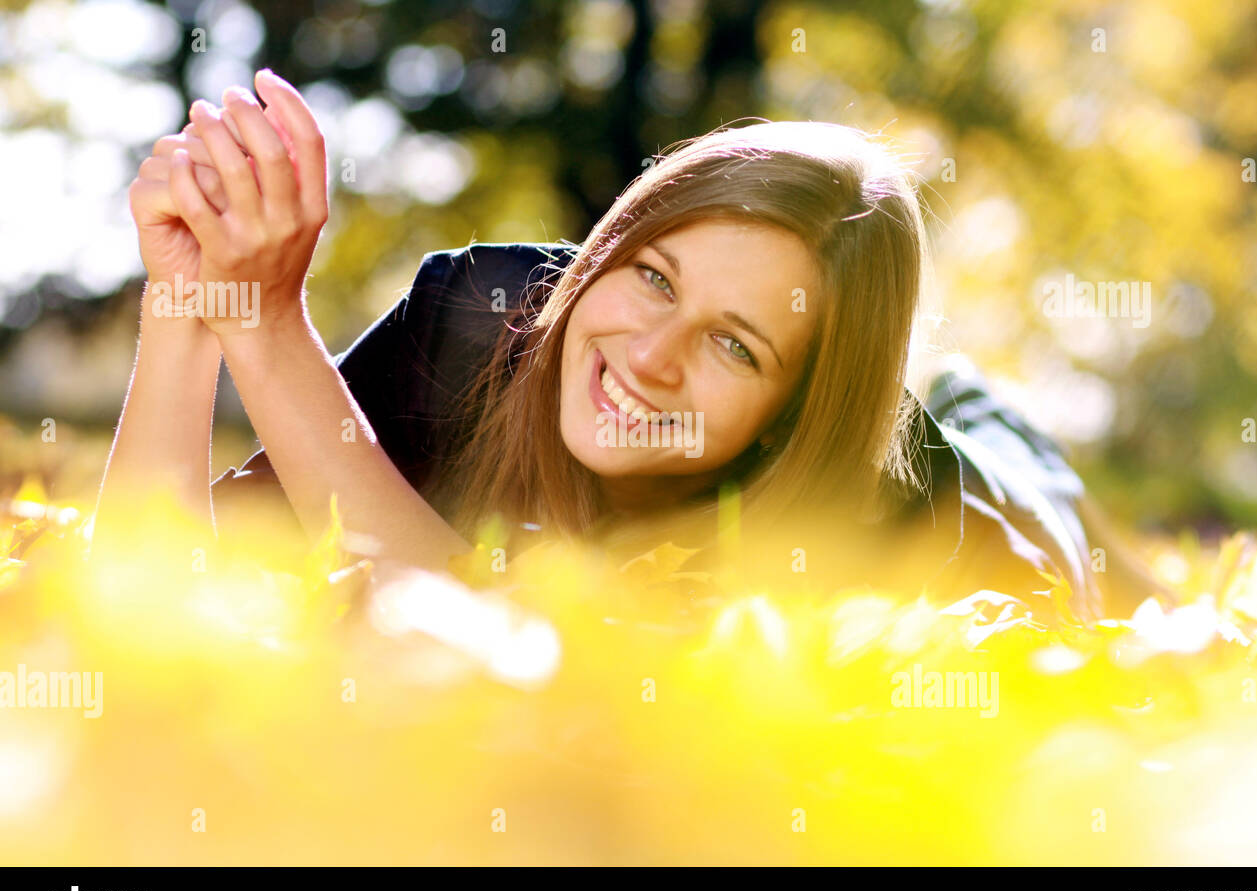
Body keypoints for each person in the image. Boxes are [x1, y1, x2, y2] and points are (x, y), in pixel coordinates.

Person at [94, 68, 1159, 621]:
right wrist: (192, 304)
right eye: (650, 276)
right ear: (604, 251)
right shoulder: (477, 316)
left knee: (1011, 452)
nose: (647, 357)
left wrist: (270, 327)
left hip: (1006, 493)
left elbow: (519, 653)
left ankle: (988, 406)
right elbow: (151, 587)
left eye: (734, 347)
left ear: (791, 418)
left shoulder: (890, 504)